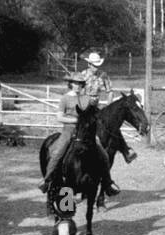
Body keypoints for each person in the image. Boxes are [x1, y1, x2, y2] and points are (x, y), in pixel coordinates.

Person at [39, 72, 119, 201]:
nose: (78, 86)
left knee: (103, 152)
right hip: (69, 130)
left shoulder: (87, 98)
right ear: (71, 84)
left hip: (85, 131)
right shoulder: (65, 98)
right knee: (58, 151)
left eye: (80, 84)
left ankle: (107, 182)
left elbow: (94, 113)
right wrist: (76, 120)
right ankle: (47, 179)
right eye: (75, 83)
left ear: (83, 85)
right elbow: (59, 117)